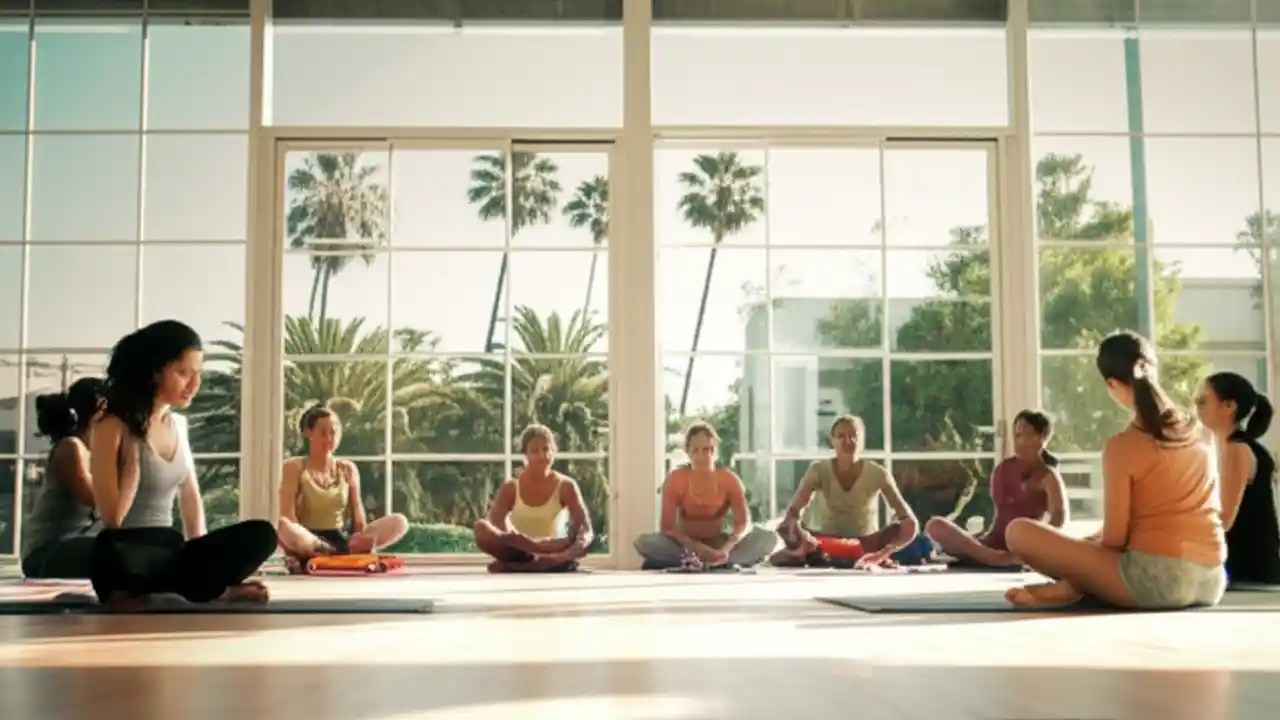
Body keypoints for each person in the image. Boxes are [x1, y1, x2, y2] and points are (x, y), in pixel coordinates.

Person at [1004, 330, 1227, 609]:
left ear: (1112, 384)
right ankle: (1079, 586)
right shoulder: (1200, 431)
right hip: (1212, 578)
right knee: (1087, 547)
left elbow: (1115, 540)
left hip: (1157, 582)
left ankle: (1075, 587)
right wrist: (1090, 544)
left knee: (1019, 532)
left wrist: (1084, 553)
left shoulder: (1123, 446)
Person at [88, 320, 278, 607]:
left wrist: (203, 555)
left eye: (198, 374)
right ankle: (201, 591)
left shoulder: (178, 425)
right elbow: (112, 518)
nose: (194, 384)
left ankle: (186, 589)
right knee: (126, 560)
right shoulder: (111, 426)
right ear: (154, 371)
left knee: (262, 534)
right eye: (183, 372)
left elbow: (191, 499)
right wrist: (131, 465)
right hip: (125, 552)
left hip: (169, 550)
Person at [770, 415, 919, 568]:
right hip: (824, 541)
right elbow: (794, 510)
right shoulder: (818, 470)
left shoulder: (878, 473)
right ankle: (814, 552)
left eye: (854, 436)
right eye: (841, 436)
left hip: (866, 543)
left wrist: (885, 551)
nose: (848, 441)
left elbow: (909, 521)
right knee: (789, 530)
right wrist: (793, 526)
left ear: (862, 441)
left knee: (897, 528)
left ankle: (822, 556)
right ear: (833, 441)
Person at [925, 410, 1068, 567]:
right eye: (1017, 436)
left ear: (1042, 439)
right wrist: (971, 540)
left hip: (1023, 545)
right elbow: (995, 516)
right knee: (935, 525)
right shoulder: (1003, 468)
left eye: (1027, 436)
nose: (1019, 442)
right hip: (993, 543)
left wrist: (1038, 543)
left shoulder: (1048, 476)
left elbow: (1058, 519)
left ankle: (986, 558)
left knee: (1017, 532)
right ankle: (991, 558)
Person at [276, 405, 409, 571]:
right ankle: (319, 553)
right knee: (282, 525)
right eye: (323, 433)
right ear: (308, 433)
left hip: (341, 539)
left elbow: (357, 515)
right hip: (308, 540)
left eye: (334, 432)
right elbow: (288, 516)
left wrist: (361, 539)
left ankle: (341, 554)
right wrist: (296, 544)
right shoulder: (294, 467)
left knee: (399, 522)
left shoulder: (347, 468)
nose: (330, 438)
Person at [634, 422, 776, 570]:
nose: (703, 456)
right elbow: (667, 528)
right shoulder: (676, 479)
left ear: (715, 451)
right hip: (686, 546)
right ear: (687, 451)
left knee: (768, 539)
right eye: (696, 450)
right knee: (643, 542)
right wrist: (697, 548)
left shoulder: (729, 480)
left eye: (708, 449)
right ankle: (706, 562)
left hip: (719, 544)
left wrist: (725, 549)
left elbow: (744, 523)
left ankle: (714, 561)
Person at [1196, 372, 1280, 585]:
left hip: (1249, 570)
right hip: (1251, 565)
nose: (1197, 407)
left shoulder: (1236, 449)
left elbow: (1224, 519)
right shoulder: (1234, 447)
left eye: (1203, 400)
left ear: (1228, 406)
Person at [473, 424, 594, 572]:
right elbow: (495, 526)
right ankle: (537, 563)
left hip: (553, 549)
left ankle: (528, 565)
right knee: (481, 527)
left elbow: (586, 529)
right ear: (525, 455)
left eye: (546, 449)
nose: (542, 455)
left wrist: (572, 550)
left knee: (577, 539)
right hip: (519, 550)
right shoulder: (511, 488)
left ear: (553, 451)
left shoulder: (566, 485)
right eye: (534, 451)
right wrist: (517, 542)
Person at [20, 377, 106, 578]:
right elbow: (96, 499)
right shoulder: (71, 447)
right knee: (114, 551)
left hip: (76, 546)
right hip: (46, 553)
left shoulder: (98, 451)